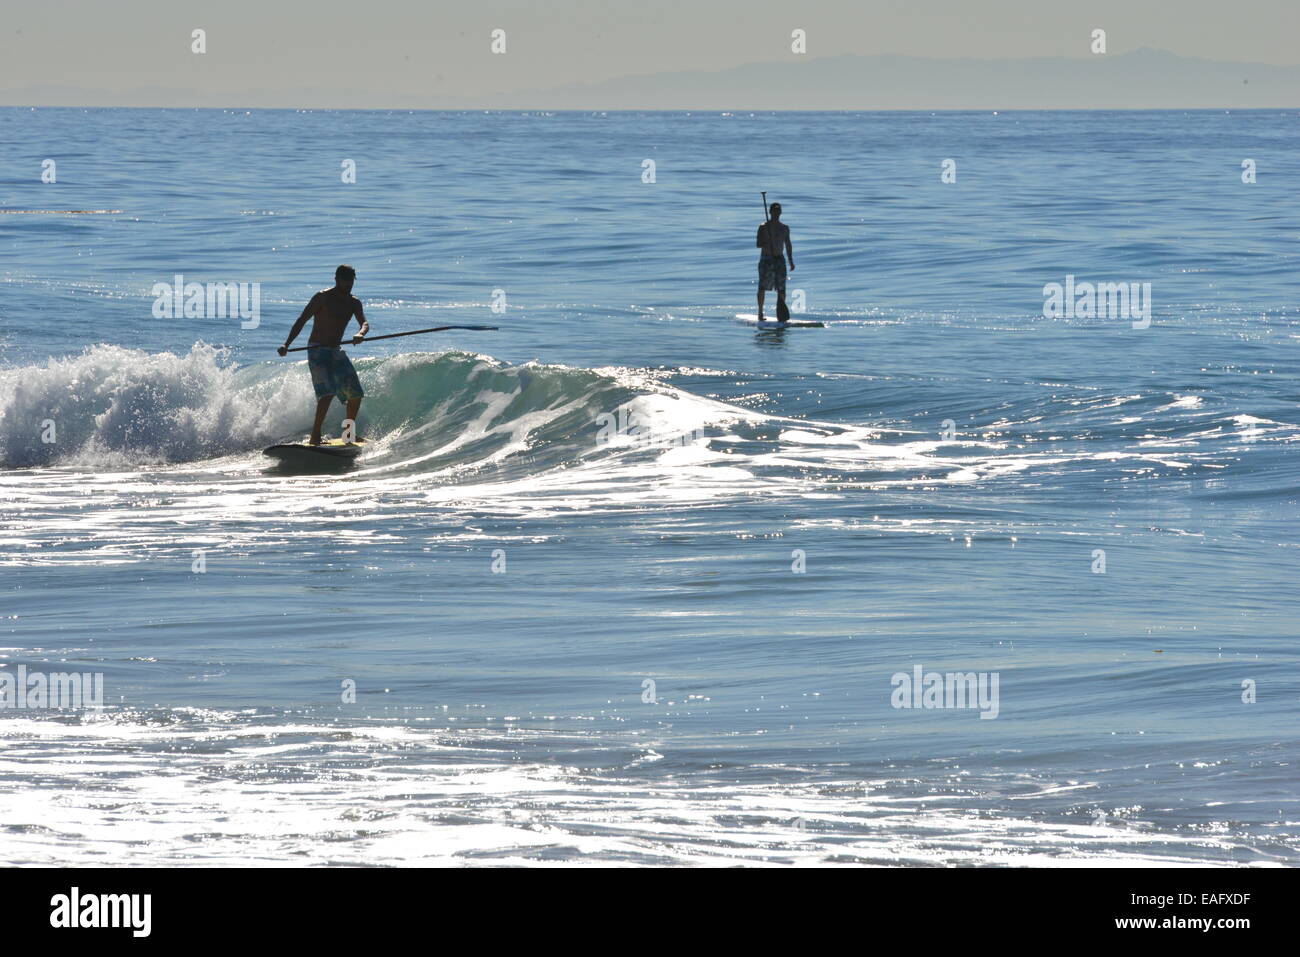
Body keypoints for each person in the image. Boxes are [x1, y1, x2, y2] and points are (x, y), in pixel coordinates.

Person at [278, 265, 370, 445]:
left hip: (335, 350)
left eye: (351, 281)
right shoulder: (322, 297)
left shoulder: (354, 302)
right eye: (345, 280)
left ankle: (349, 434)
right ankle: (315, 436)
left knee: (355, 393)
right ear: (336, 279)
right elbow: (301, 320)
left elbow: (364, 323)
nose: (348, 284)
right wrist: (286, 344)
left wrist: (360, 334)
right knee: (327, 393)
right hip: (317, 350)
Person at [756, 202, 794, 320]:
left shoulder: (784, 228)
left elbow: (788, 245)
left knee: (781, 288)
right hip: (766, 259)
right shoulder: (763, 227)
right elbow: (758, 244)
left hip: (779, 259)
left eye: (778, 211)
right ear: (770, 212)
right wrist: (767, 239)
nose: (776, 213)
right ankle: (760, 312)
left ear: (781, 212)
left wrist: (791, 261)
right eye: (774, 211)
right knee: (763, 287)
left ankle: (781, 313)